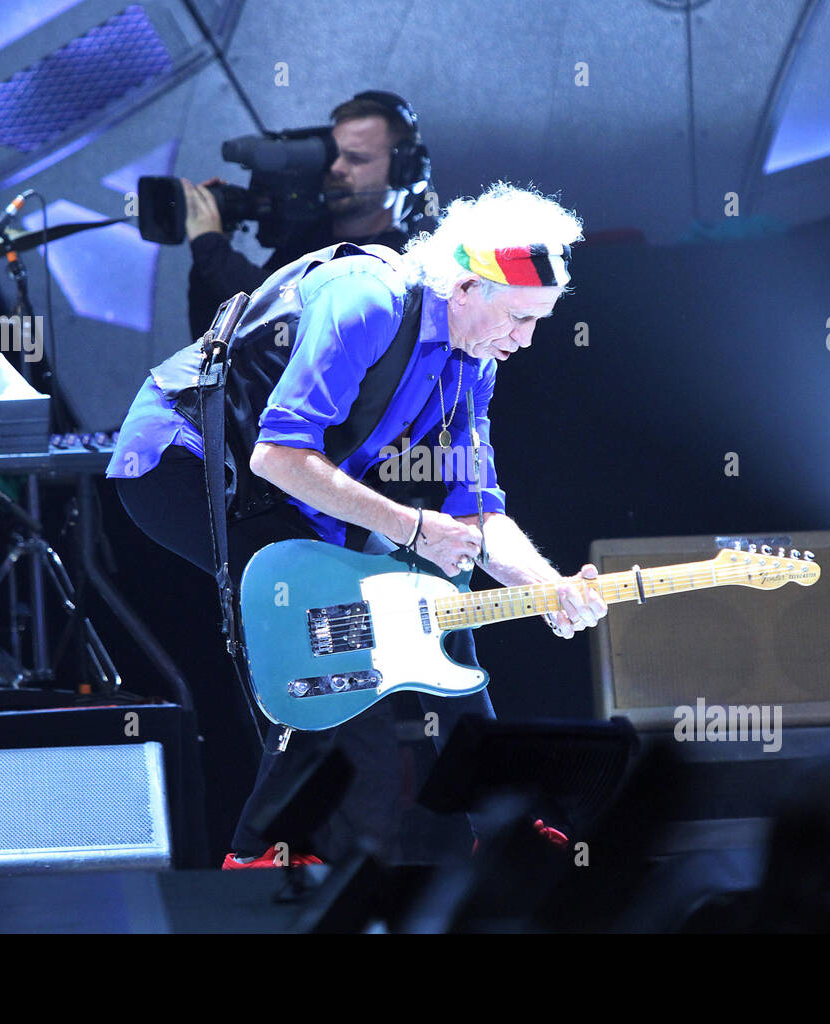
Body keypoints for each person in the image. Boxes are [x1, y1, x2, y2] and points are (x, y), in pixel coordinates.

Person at [108, 182, 608, 866]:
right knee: (323, 630)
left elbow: (477, 512)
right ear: (465, 288)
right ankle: (263, 854)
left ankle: (504, 824)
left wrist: (547, 586)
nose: (526, 341)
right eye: (519, 319)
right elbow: (279, 454)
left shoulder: (475, 365)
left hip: (280, 487)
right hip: (179, 463)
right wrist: (411, 526)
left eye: (539, 321)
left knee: (442, 606)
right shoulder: (366, 299)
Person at [183, 90, 429, 340]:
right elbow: (215, 333)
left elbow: (285, 308)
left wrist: (210, 245)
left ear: (405, 171)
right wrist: (214, 240)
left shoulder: (398, 265)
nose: (335, 168)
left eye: (356, 159)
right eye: (333, 154)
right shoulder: (310, 238)